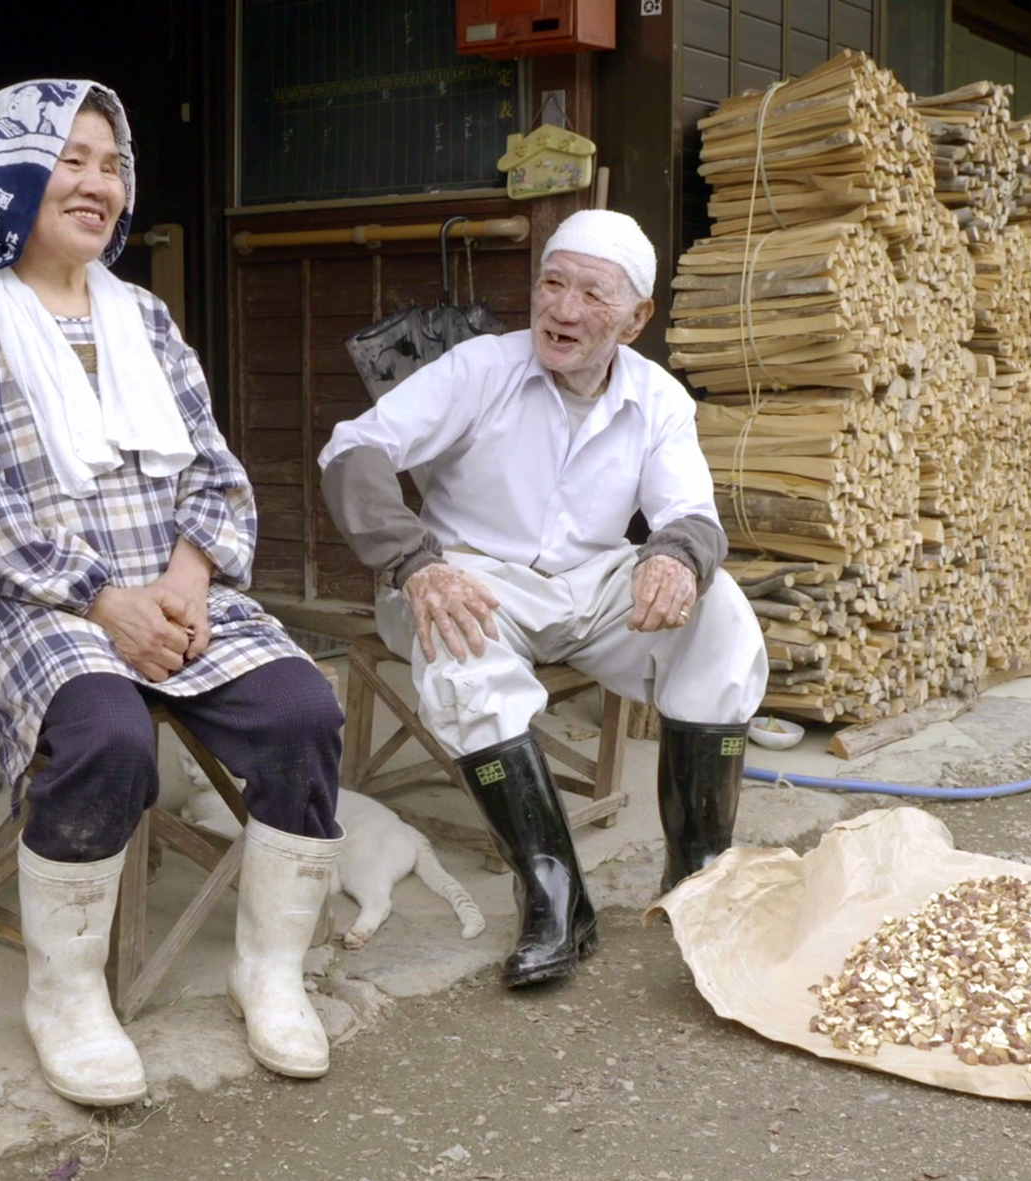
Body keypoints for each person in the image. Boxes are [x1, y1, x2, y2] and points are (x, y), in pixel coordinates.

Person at [0, 80, 344, 1104]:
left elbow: (215, 471)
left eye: (111, 163)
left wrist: (185, 582)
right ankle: (66, 992)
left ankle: (267, 970)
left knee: (303, 710)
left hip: (169, 586)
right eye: (70, 160)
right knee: (103, 734)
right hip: (25, 599)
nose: (98, 183)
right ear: (2, 175)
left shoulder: (144, 315)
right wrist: (106, 602)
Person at [317, 209, 768, 988]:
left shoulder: (657, 396)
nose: (561, 310)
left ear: (635, 318)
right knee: (464, 652)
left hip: (590, 587)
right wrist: (414, 561)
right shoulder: (480, 368)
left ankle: (697, 871)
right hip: (464, 576)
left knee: (720, 612)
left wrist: (676, 558)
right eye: (550, 284)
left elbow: (689, 512)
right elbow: (354, 447)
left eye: (591, 294)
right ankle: (553, 892)